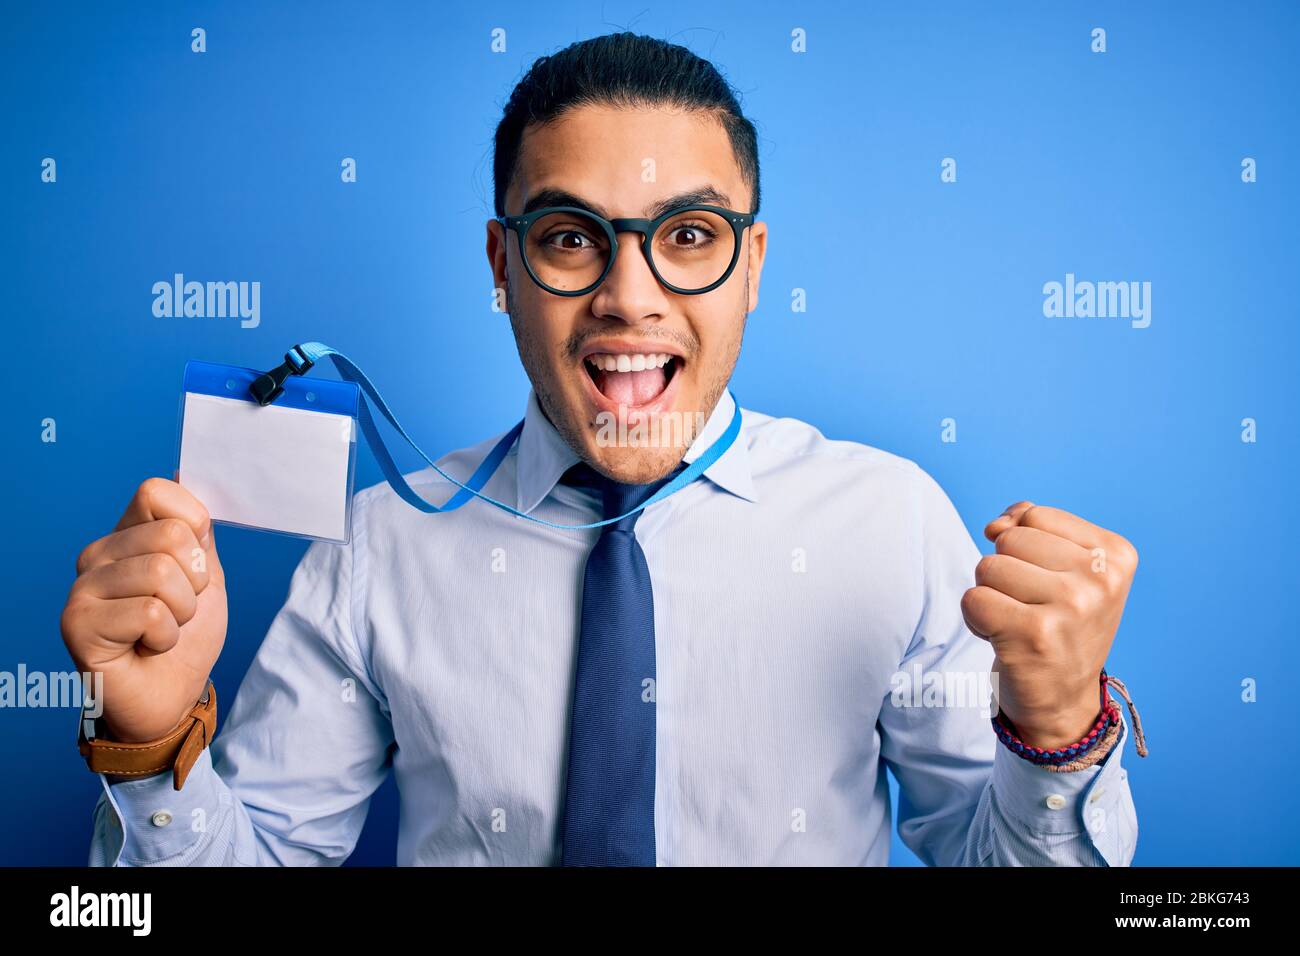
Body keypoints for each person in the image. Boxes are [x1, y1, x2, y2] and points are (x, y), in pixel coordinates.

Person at [60, 32, 1144, 866]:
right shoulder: (375, 547)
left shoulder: (889, 521)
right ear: (502, 261)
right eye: (571, 237)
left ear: (753, 264)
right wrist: (153, 750)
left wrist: (1054, 731)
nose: (631, 298)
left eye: (687, 237)